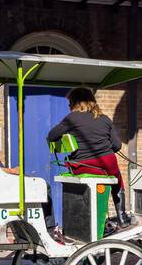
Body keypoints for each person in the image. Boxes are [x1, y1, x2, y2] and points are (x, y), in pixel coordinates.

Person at [0, 109, 66, 245]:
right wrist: (14, 170)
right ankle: (49, 229)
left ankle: (37, 230)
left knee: (36, 183)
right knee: (44, 186)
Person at [46, 87, 131, 226]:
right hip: (107, 164)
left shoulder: (72, 118)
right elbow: (117, 145)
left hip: (83, 165)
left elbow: (52, 136)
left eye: (70, 103)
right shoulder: (105, 119)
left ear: (75, 103)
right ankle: (122, 217)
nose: (69, 106)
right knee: (118, 182)